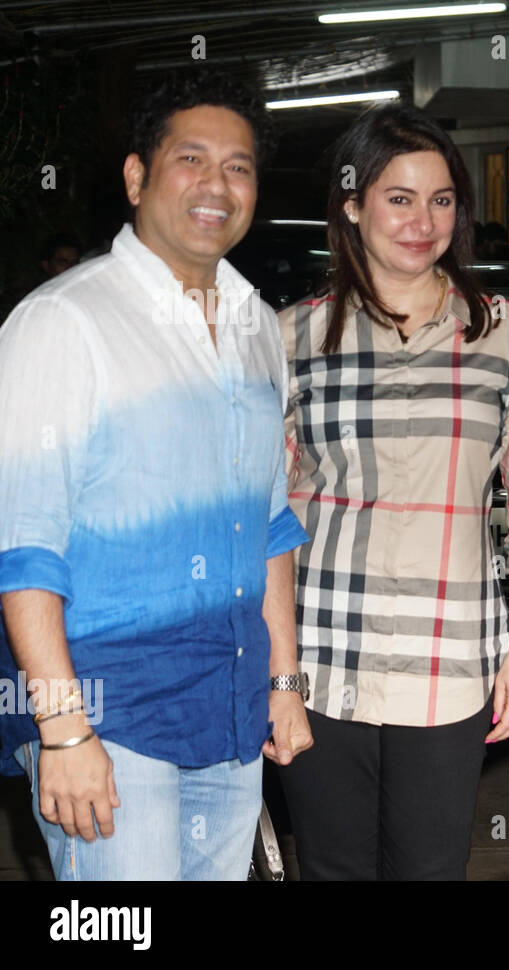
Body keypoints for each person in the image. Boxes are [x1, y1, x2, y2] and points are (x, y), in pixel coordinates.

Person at [0, 68, 312, 880]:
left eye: (239, 167)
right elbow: (20, 544)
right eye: (192, 159)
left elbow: (269, 523)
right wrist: (63, 730)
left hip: (230, 703)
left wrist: (283, 679)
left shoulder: (256, 328)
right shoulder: (62, 322)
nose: (218, 185)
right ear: (138, 175)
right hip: (112, 714)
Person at [277, 103, 509, 880]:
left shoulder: (503, 330)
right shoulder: (292, 338)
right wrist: (275, 671)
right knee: (332, 869)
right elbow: (265, 518)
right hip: (321, 660)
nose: (422, 221)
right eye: (398, 198)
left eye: (441, 200)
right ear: (352, 205)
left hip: (452, 665)